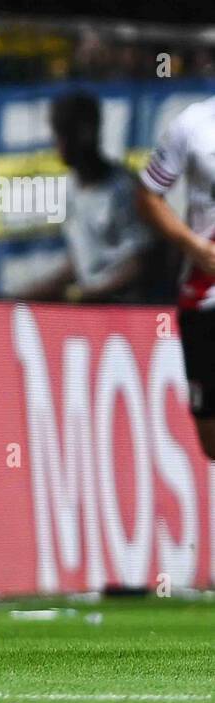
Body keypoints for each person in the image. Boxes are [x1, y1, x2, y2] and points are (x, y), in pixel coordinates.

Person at [136, 95, 215, 459]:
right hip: (205, 296)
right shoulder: (193, 124)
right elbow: (149, 196)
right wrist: (195, 248)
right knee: (210, 439)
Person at [20, 91, 156, 303]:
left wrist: (90, 295)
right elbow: (84, 260)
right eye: (57, 134)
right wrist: (36, 292)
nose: (59, 144)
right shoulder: (70, 188)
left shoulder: (124, 190)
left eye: (65, 133)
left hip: (127, 317)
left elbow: (143, 263)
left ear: (87, 133)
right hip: (90, 318)